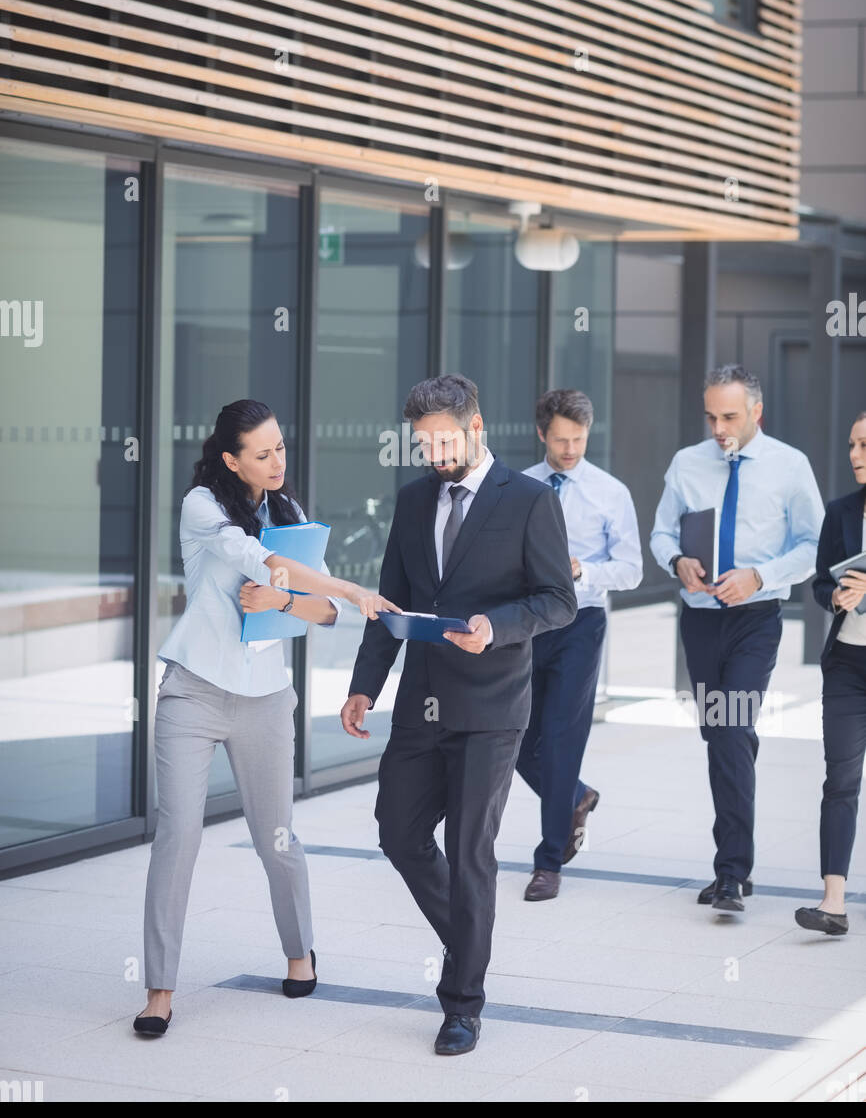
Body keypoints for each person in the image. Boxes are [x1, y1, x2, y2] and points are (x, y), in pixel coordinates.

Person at [134, 399, 399, 1036]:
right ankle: (159, 990)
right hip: (193, 693)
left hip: (266, 699)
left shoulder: (291, 514)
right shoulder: (202, 505)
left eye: (280, 447)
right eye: (262, 452)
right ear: (231, 459)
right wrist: (350, 589)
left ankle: (300, 953)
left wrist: (291, 600)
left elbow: (322, 615)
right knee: (179, 836)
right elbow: (267, 564)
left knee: (276, 839)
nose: (277, 461)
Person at [339, 374, 577, 1055]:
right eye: (423, 443)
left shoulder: (530, 501)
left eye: (444, 439)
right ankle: (472, 940)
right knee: (398, 833)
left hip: (492, 707)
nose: (434, 452)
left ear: (475, 428)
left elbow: (557, 600)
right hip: (421, 706)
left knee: (472, 851)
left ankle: (462, 1002)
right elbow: (390, 603)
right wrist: (365, 687)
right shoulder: (413, 501)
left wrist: (494, 625)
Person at [650, 365, 824, 914]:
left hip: (756, 618)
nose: (719, 426)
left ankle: (731, 873)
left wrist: (760, 575)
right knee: (722, 733)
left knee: (729, 729)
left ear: (756, 413)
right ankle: (735, 860)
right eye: (711, 416)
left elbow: (813, 544)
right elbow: (660, 532)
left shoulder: (790, 466)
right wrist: (677, 561)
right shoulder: (686, 463)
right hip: (700, 619)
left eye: (729, 416)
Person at [518, 389, 642, 900]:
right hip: (528, 624)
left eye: (580, 439)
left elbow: (632, 571)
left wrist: (583, 568)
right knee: (519, 737)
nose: (571, 449)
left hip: (582, 621)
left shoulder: (611, 492)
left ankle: (549, 862)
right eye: (562, 439)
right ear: (542, 433)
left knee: (563, 737)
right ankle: (576, 795)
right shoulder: (519, 487)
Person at [795, 410, 866, 936]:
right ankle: (833, 902)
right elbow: (819, 584)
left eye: (864, 446)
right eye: (851, 445)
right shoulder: (840, 512)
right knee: (839, 778)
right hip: (846, 664)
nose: (855, 455)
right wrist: (837, 594)